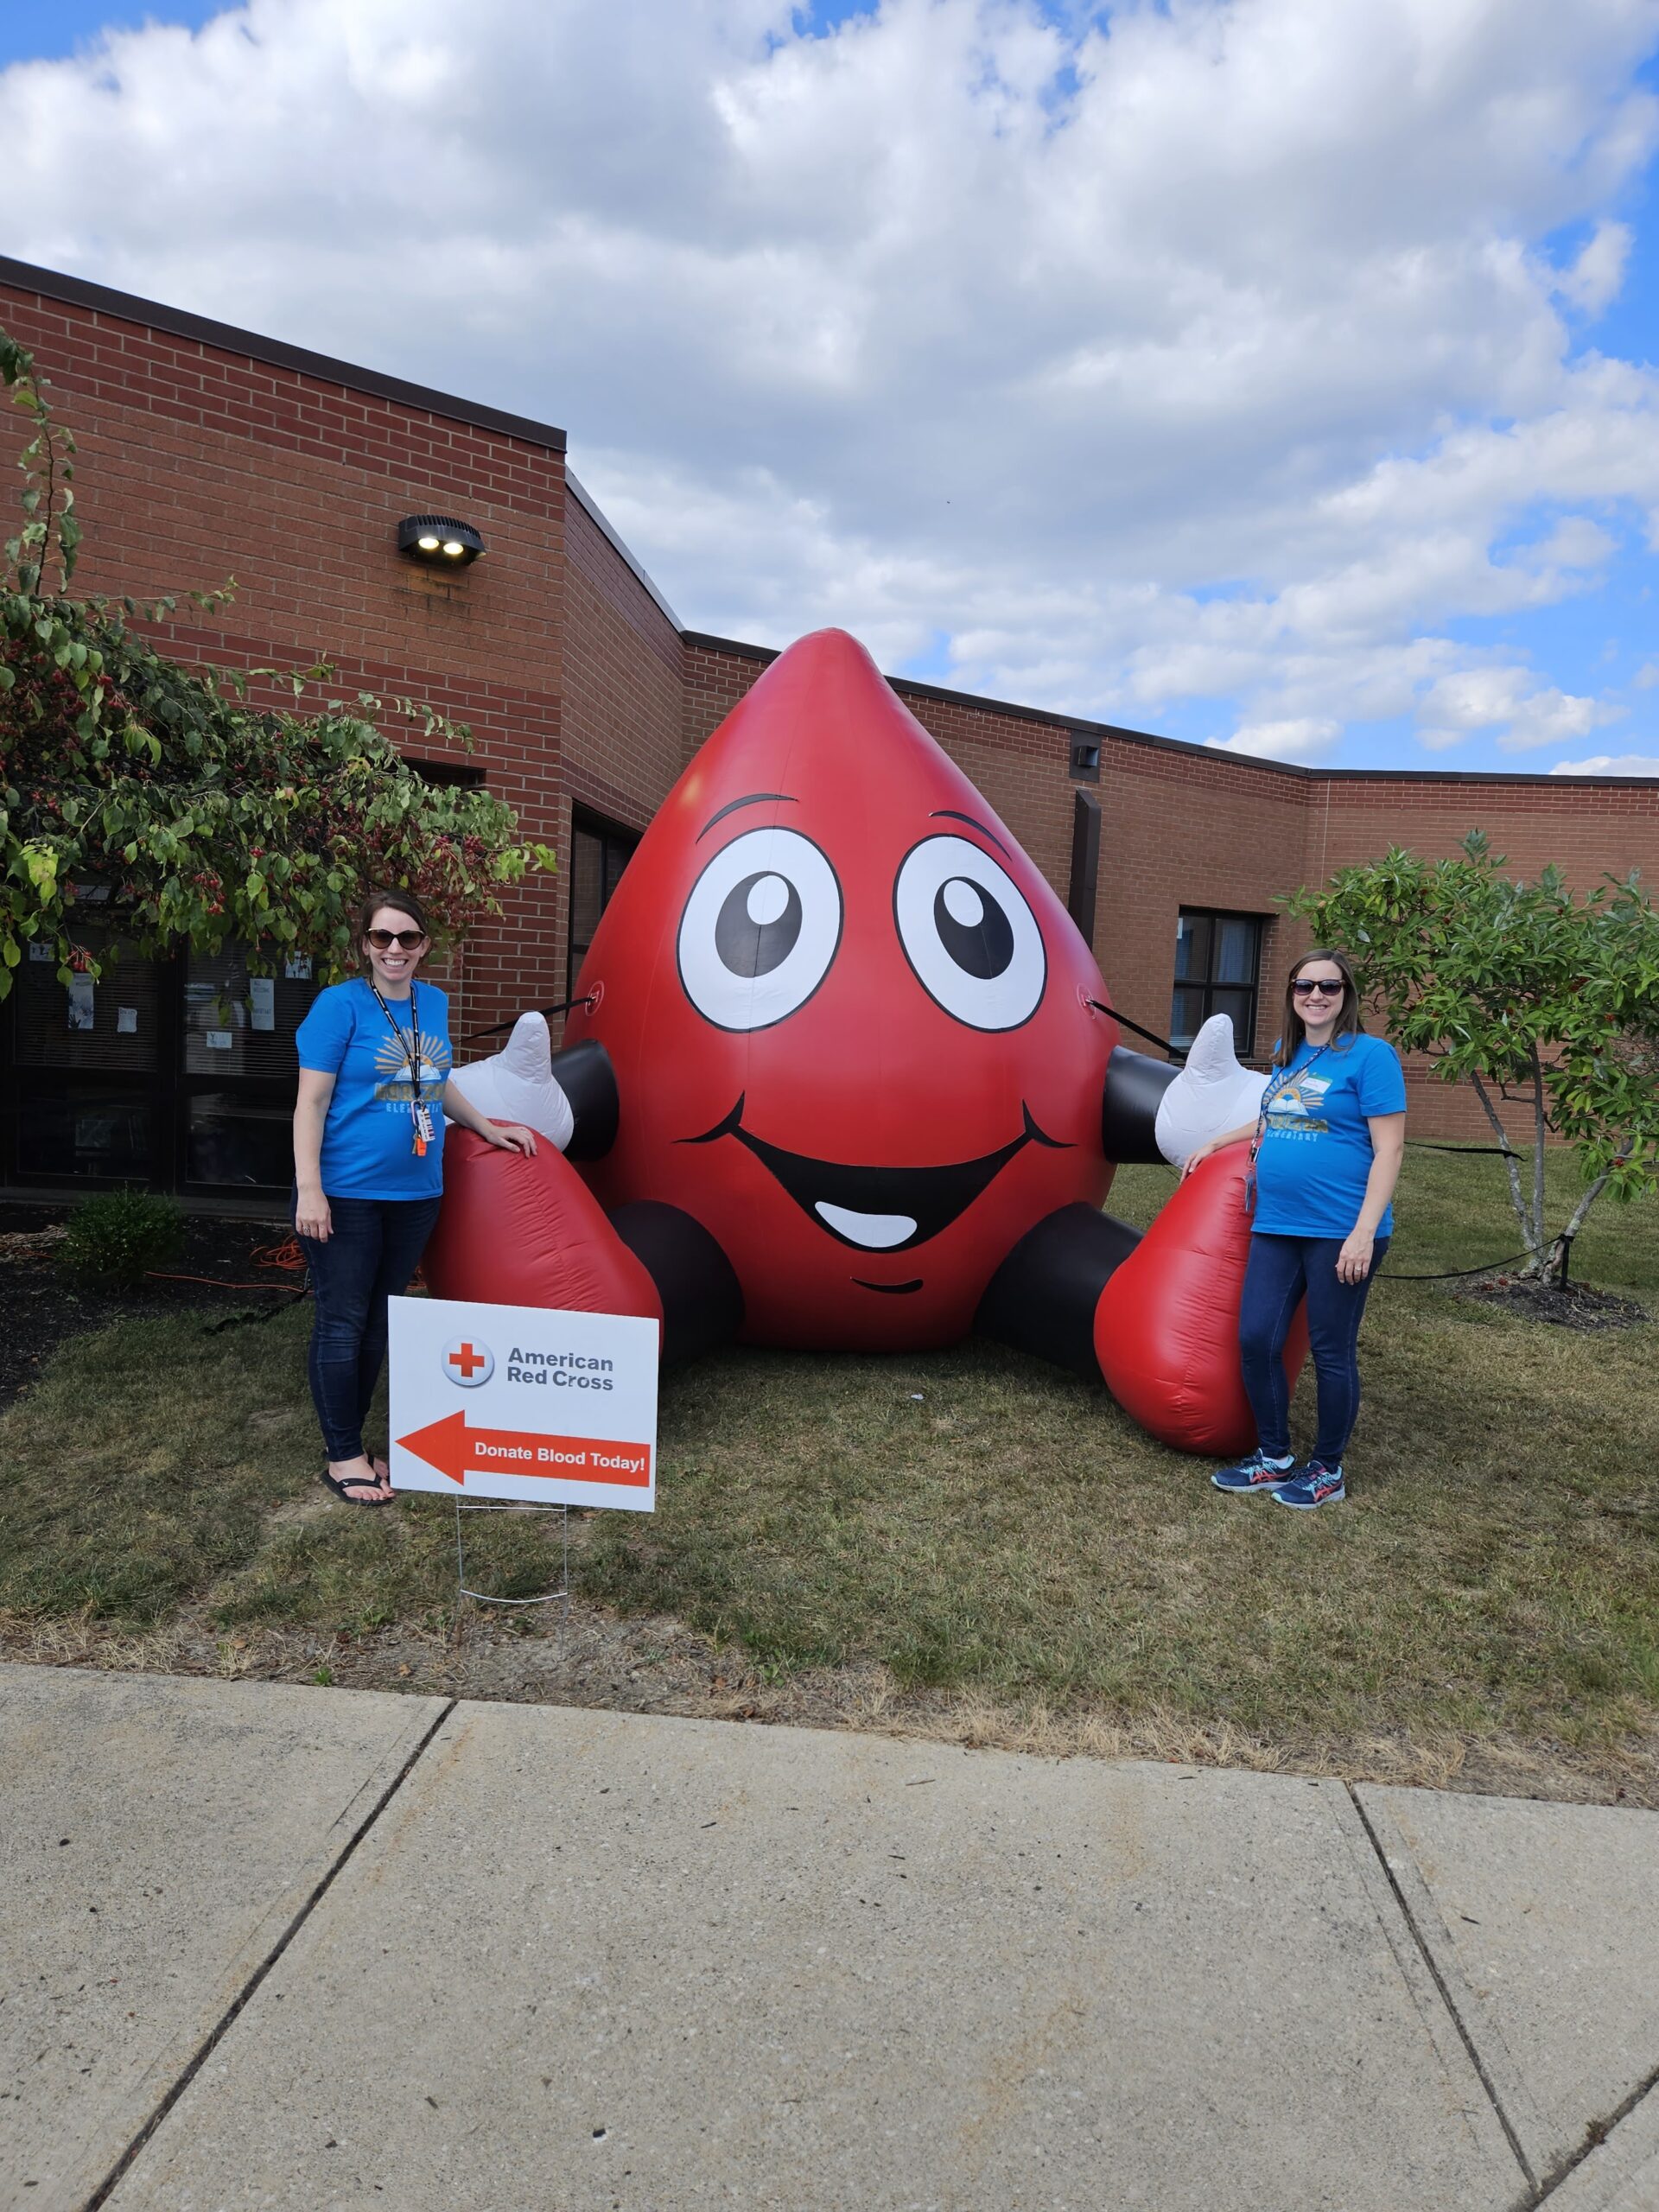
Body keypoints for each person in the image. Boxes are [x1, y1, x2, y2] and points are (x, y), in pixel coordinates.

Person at [292, 888, 537, 1506]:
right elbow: (311, 1103)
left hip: (416, 1192)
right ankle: (343, 1454)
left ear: (424, 945)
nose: (394, 949)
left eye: (407, 937)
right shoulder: (339, 1006)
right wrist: (310, 1190)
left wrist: (485, 1126)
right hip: (345, 1191)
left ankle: (353, 1440)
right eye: (382, 937)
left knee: (380, 1318)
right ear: (365, 945)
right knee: (343, 1321)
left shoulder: (434, 1002)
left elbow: (432, 1079)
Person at [1184, 948, 1406, 1510]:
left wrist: (1363, 1232)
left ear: (1346, 995)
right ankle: (1274, 1456)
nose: (1316, 996)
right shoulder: (1290, 1054)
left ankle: (1327, 1469)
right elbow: (1277, 1116)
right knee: (1256, 1338)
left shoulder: (1371, 1056)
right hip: (1278, 1223)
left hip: (1341, 1230)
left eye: (1329, 987)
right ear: (1292, 994)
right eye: (1305, 986)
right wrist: (1216, 1141)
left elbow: (1390, 1149)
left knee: (1331, 1349)